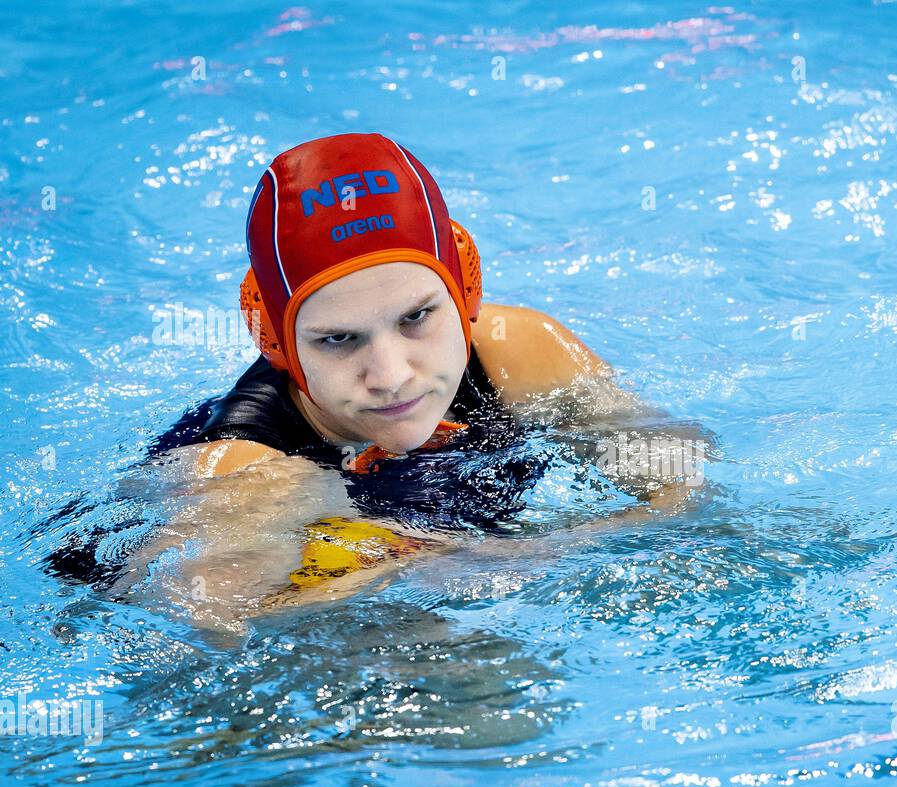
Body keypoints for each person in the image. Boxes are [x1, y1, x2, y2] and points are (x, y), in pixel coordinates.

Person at [115, 131, 712, 636]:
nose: (393, 376)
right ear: (276, 341)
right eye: (337, 339)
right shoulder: (254, 472)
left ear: (464, 290)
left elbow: (682, 476)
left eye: (417, 317)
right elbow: (212, 625)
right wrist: (420, 564)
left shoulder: (521, 356)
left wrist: (551, 549)